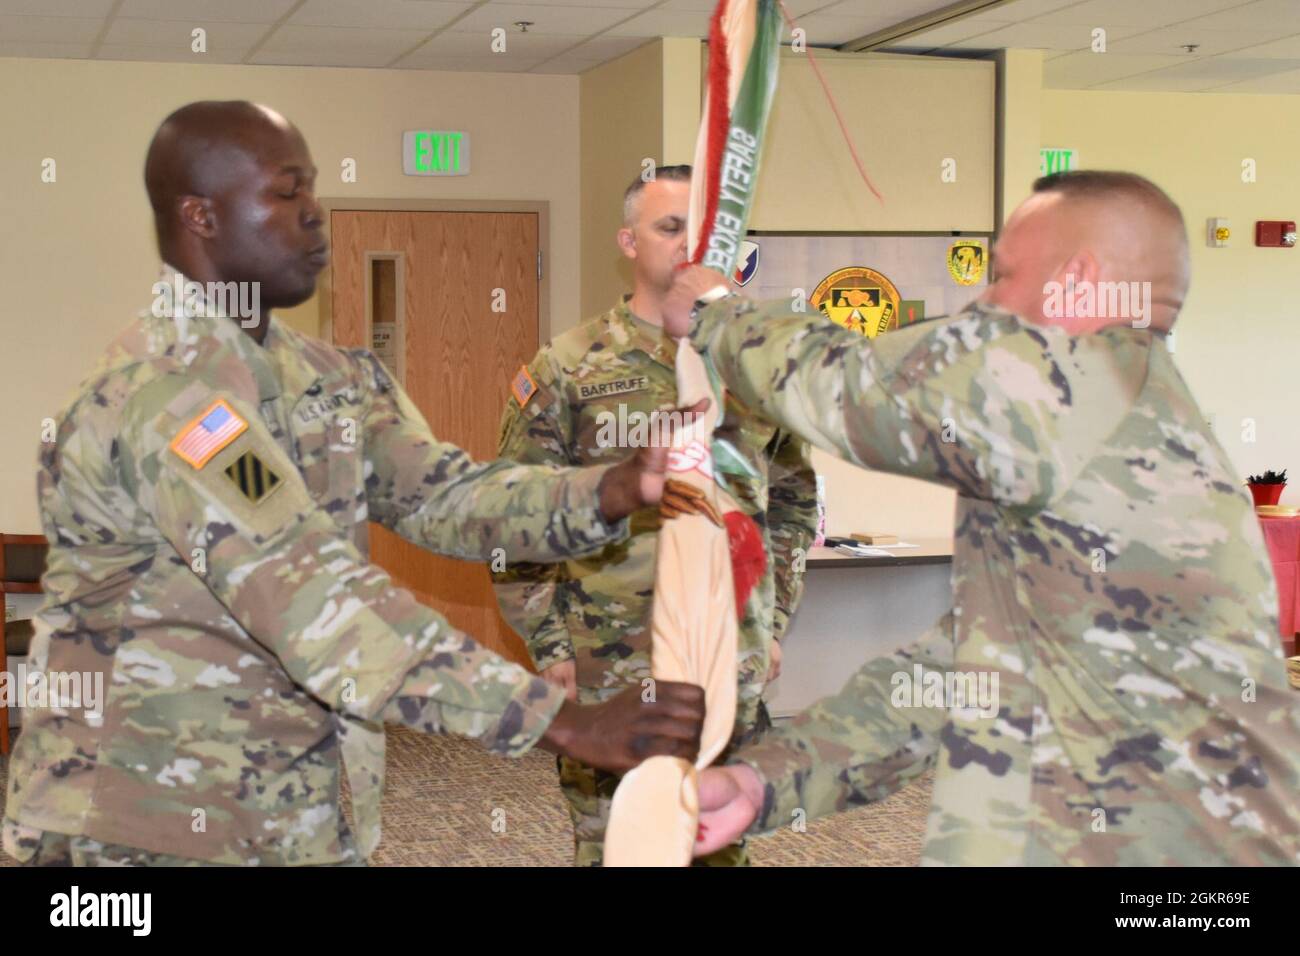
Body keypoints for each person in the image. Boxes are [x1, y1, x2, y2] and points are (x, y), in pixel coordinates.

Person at [2, 101, 706, 867]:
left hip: (295, 811)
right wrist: (561, 721)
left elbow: (446, 495)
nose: (315, 215)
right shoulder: (163, 395)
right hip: (141, 828)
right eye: (285, 192)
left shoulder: (330, 379)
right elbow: (314, 600)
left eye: (311, 190)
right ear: (199, 216)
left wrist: (613, 489)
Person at [668, 170, 1300, 865]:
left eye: (1000, 276)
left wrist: (718, 313)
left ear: (1079, 279)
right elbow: (964, 673)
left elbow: (854, 389)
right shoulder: (1122, 417)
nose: (982, 301)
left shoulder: (1077, 378)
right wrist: (770, 780)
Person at [492, 165, 818, 865]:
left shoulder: (752, 365)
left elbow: (792, 500)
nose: (688, 248)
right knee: (624, 843)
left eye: (704, 234)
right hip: (612, 660)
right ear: (628, 241)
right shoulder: (571, 369)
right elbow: (515, 518)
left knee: (719, 836)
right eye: (670, 228)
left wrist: (775, 617)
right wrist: (550, 648)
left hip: (726, 654)